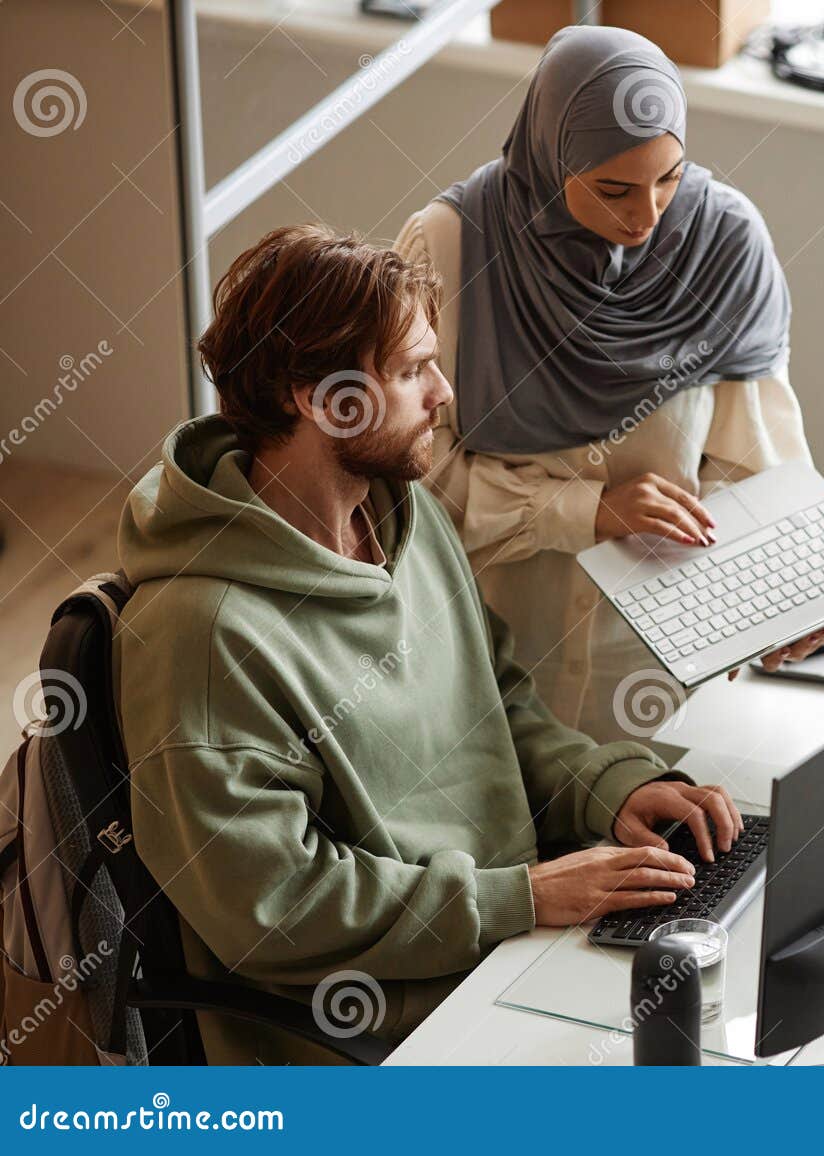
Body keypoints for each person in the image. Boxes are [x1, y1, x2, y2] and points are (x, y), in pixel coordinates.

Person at [115, 224, 743, 1065]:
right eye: (413, 371)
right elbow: (273, 906)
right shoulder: (201, 636)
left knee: (733, 991)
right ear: (319, 398)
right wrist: (519, 899)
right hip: (375, 1028)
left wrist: (607, 787)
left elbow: (501, 705)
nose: (444, 393)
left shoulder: (406, 521)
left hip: (508, 936)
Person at [397, 26, 824, 744]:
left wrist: (783, 599)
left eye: (669, 178)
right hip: (486, 669)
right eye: (614, 189)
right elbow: (406, 484)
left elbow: (756, 468)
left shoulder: (725, 247)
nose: (648, 215)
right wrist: (583, 511)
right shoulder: (450, 247)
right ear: (551, 155)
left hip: (661, 677)